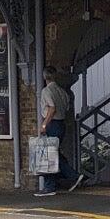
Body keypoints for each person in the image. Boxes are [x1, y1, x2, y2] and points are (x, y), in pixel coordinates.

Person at [36, 63, 80, 194]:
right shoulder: (62, 91)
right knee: (54, 152)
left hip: (52, 123)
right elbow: (67, 106)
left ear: (45, 77)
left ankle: (59, 181)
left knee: (49, 154)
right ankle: (63, 178)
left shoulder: (46, 91)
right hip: (61, 123)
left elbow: (52, 108)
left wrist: (44, 124)